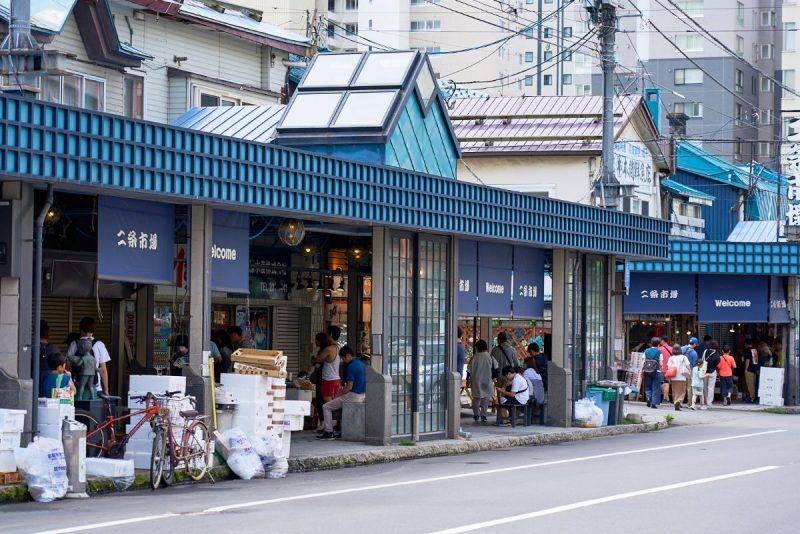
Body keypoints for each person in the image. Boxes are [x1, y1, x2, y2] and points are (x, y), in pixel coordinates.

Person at [318, 346, 365, 441]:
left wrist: (338, 395)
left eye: (343, 358)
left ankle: (329, 431)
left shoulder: (351, 367)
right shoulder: (362, 364)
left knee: (326, 407)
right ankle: (340, 430)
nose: (343, 361)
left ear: (348, 356)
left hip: (353, 395)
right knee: (340, 407)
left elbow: (349, 387)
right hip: (362, 395)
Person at [66, 317, 111, 396]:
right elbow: (103, 369)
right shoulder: (99, 344)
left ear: (81, 329)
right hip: (96, 388)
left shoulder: (74, 344)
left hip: (77, 386)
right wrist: (106, 390)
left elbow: (68, 367)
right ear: (93, 330)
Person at [468, 339, 497, 423]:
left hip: (476, 380)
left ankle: (476, 414)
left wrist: (467, 379)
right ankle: (483, 414)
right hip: (487, 380)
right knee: (486, 397)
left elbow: (469, 370)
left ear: (477, 347)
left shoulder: (475, 357)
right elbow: (496, 366)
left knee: (476, 398)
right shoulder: (489, 356)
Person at [314, 332, 340, 405]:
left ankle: (325, 416)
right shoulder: (338, 347)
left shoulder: (328, 349)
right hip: (336, 379)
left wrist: (313, 360)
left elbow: (318, 359)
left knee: (327, 404)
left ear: (331, 335)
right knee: (333, 403)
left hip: (328, 379)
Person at [37, 320, 62, 397]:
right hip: (50, 380)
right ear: (47, 332)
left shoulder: (31, 348)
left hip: (34, 379)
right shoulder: (54, 348)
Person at [667, 344, 691, 411]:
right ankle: (678, 401)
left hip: (674, 377)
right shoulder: (684, 357)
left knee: (674, 391)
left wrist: (669, 377)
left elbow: (669, 367)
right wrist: (690, 372)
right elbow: (688, 366)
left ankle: (675, 402)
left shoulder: (671, 358)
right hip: (682, 377)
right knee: (682, 391)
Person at [643, 338, 663, 409]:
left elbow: (643, 361)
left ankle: (648, 398)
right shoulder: (659, 352)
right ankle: (654, 403)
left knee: (648, 386)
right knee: (655, 387)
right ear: (658, 344)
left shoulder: (646, 351)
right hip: (656, 371)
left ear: (651, 343)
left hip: (647, 371)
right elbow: (661, 363)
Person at [701, 341, 720, 409]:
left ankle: (705, 401)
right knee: (711, 387)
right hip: (712, 372)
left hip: (704, 371)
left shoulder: (705, 351)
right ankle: (709, 402)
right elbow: (718, 366)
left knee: (704, 386)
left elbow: (703, 359)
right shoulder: (717, 355)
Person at [681, 337, 699, 408]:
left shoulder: (682, 348)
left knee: (682, 387)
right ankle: (689, 402)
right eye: (696, 344)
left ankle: (680, 401)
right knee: (689, 388)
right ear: (694, 344)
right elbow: (694, 365)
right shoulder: (694, 353)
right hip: (689, 371)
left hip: (681, 371)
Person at [743, 338, 760, 403]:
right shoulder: (755, 350)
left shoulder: (747, 351)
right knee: (754, 384)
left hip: (749, 370)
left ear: (746, 344)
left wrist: (746, 369)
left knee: (750, 385)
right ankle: (754, 397)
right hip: (755, 369)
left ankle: (752, 398)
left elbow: (747, 360)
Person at [658, 337, 673, 402]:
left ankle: (665, 398)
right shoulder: (671, 349)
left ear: (663, 340)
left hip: (661, 369)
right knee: (667, 383)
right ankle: (666, 398)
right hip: (669, 369)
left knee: (661, 383)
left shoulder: (659, 349)